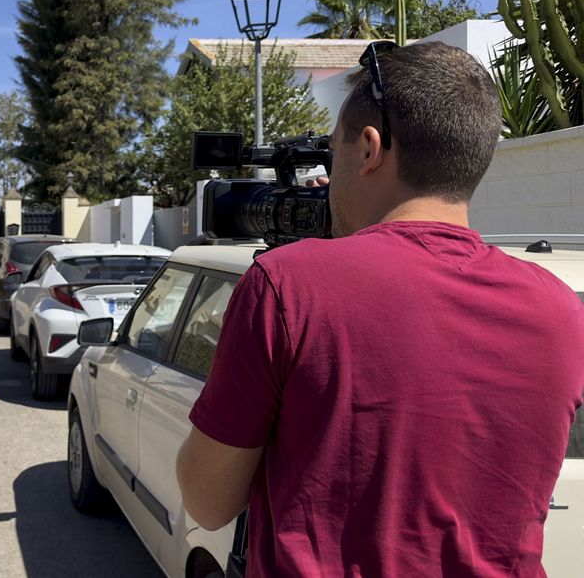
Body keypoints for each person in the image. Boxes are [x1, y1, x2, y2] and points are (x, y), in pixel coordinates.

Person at [175, 40, 584, 576]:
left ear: (370, 149)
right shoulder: (560, 307)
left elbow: (206, 502)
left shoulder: (287, 286)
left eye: (332, 151)